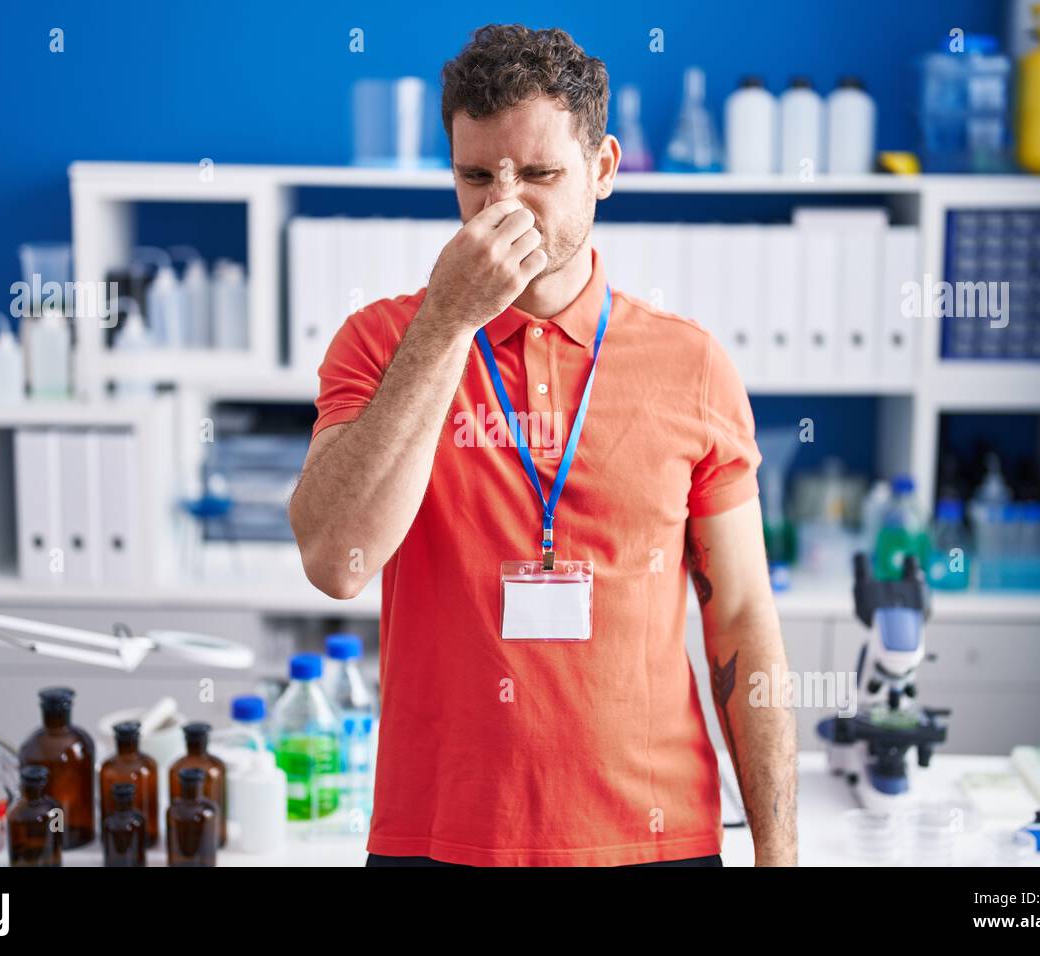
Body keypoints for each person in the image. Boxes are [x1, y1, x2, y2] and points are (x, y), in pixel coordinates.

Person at [290, 23, 796, 867]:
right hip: (438, 837)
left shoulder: (693, 362)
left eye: (541, 174)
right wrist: (450, 319)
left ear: (602, 169)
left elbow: (743, 616)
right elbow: (336, 562)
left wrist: (778, 855)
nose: (504, 204)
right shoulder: (381, 342)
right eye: (477, 176)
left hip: (655, 840)